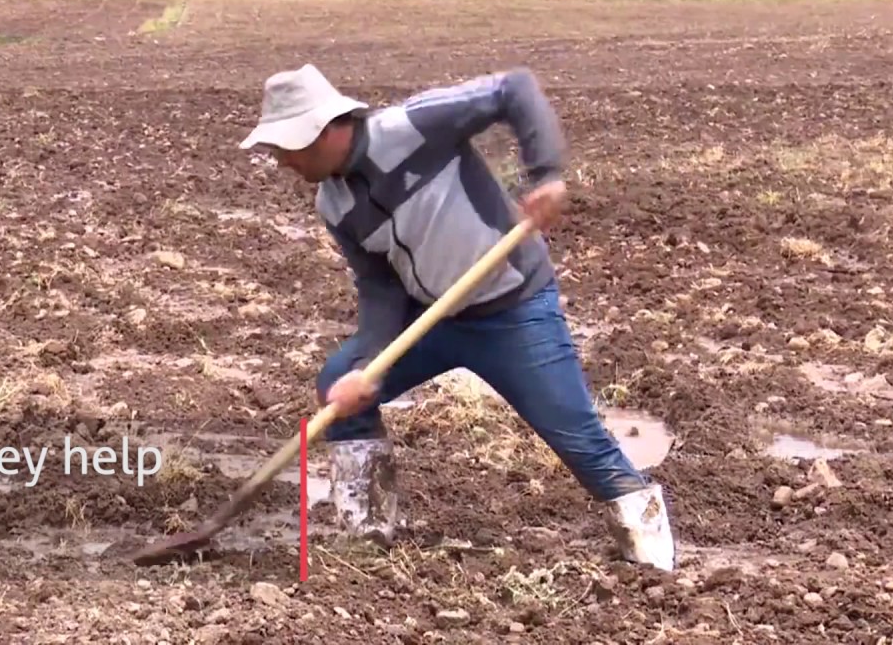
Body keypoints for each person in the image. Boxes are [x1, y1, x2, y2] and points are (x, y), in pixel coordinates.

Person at [237, 63, 675, 572]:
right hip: (434, 321)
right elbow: (379, 286)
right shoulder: (334, 205)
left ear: (323, 130)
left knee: (579, 438)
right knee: (341, 385)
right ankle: (366, 538)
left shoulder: (413, 128)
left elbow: (515, 88)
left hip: (513, 312)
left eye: (285, 148)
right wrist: (370, 363)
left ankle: (654, 563)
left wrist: (547, 176)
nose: (283, 162)